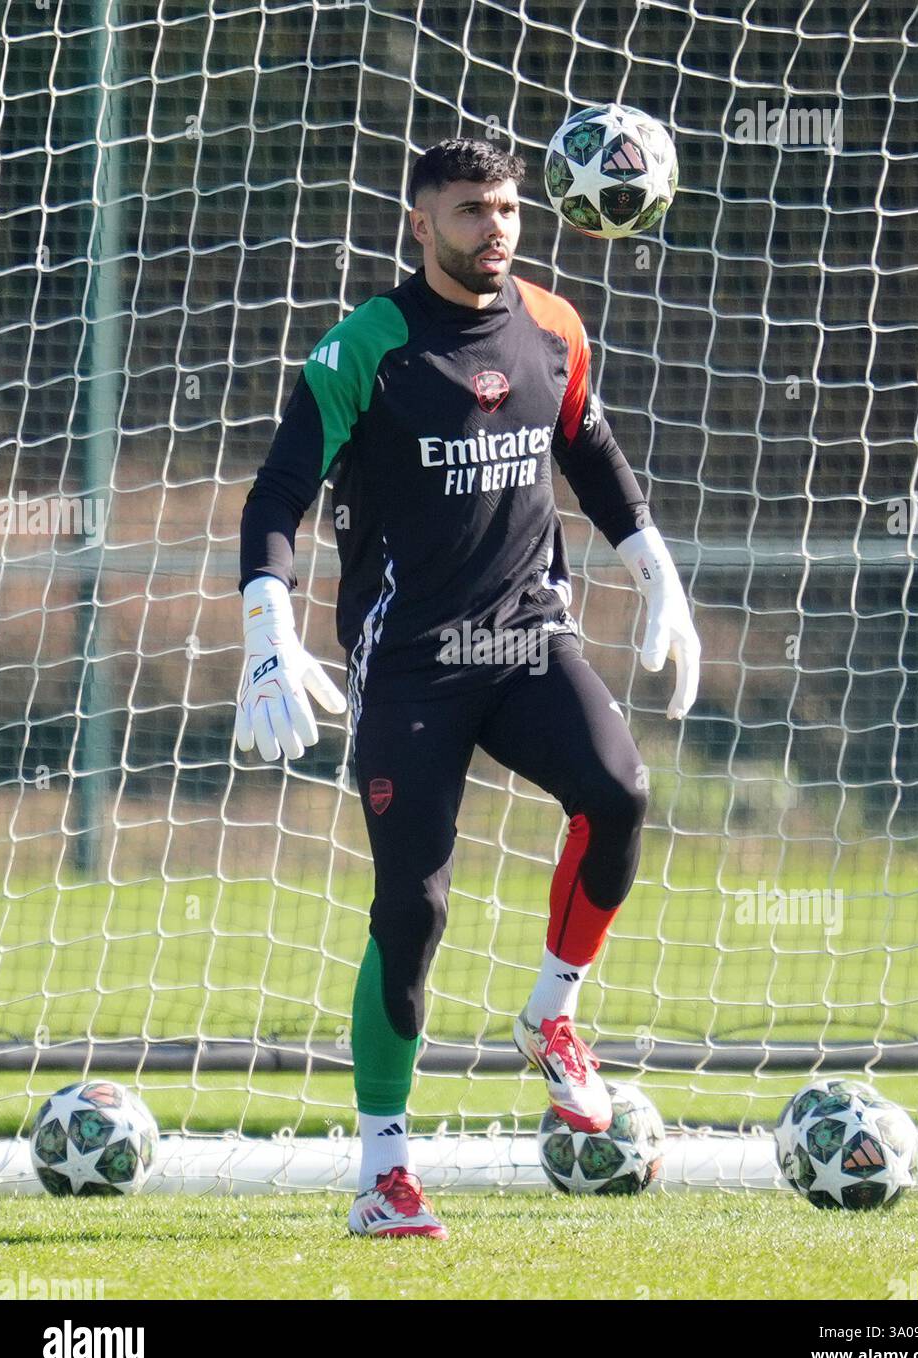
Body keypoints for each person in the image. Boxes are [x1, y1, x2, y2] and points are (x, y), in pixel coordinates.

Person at [236, 138, 700, 1238]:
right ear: (419, 222)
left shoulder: (553, 326)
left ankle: (552, 1013)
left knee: (619, 793)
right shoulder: (368, 349)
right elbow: (278, 491)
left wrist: (653, 571)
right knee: (414, 909)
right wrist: (268, 627)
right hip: (412, 668)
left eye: (504, 208)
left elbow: (582, 443)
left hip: (529, 640)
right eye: (467, 211)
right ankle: (383, 1174)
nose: (493, 228)